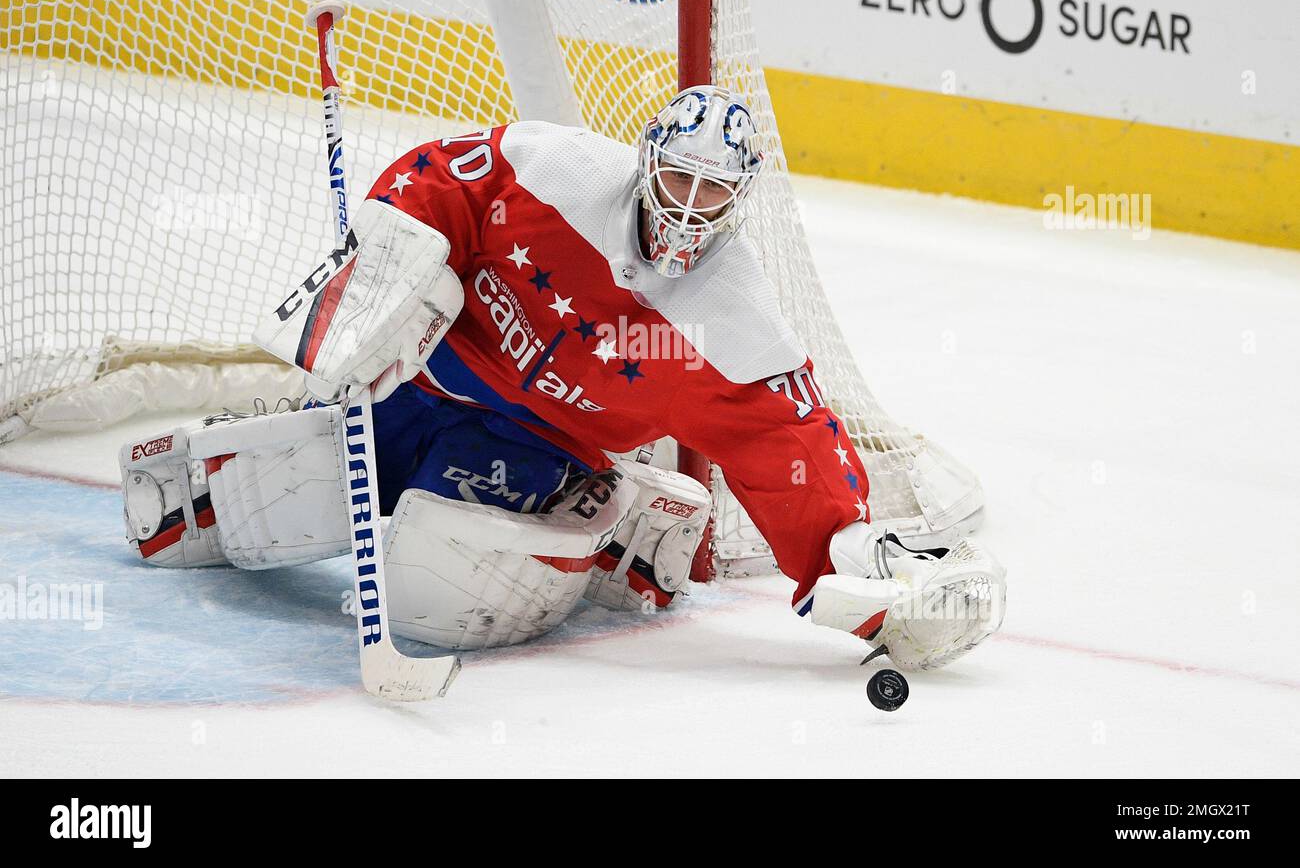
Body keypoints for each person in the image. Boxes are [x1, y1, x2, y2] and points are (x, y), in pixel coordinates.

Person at [119, 86, 1004, 667]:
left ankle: (619, 531)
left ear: (743, 201)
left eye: (715, 195)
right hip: (425, 380)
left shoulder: (734, 321)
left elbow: (791, 445)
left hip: (539, 445)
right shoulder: (556, 170)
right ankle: (616, 532)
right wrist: (393, 259)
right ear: (646, 157)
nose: (690, 209)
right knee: (214, 502)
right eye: (679, 180)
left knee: (432, 589)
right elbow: (437, 180)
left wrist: (851, 568)